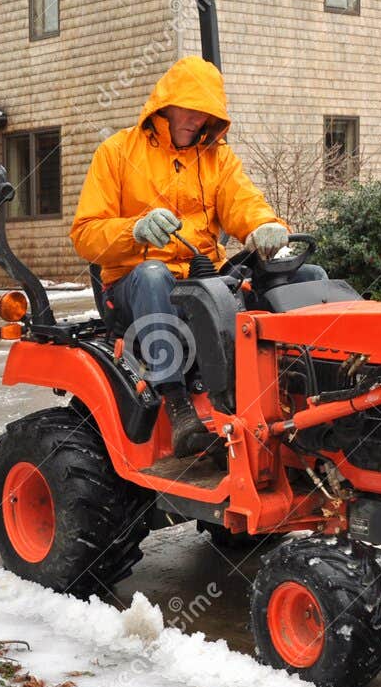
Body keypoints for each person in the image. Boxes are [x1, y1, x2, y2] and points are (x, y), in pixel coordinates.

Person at [71, 55, 324, 458]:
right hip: (132, 285)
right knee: (156, 276)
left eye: (205, 114)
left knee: (304, 275)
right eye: (189, 110)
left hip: (203, 277)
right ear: (164, 106)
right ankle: (179, 404)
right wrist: (133, 230)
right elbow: (86, 236)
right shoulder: (116, 153)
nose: (195, 121)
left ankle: (315, 391)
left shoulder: (217, 158)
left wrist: (263, 226)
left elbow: (244, 202)